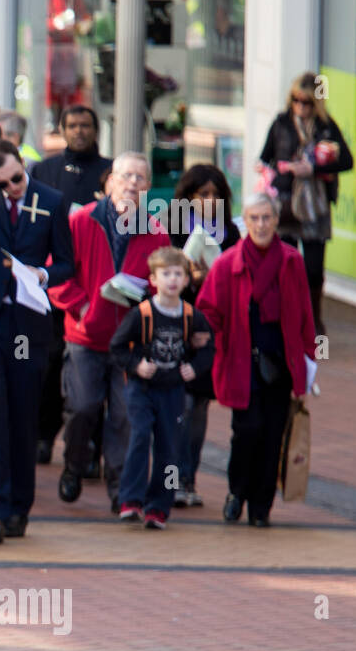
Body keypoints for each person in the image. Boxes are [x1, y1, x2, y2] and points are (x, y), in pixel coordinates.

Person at [0, 139, 74, 543]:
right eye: (3, 184)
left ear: (25, 165)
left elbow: (67, 264)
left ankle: (20, 506)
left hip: (27, 322)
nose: (13, 188)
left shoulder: (52, 200)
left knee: (22, 416)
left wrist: (42, 275)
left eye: (17, 178)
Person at [50, 152, 169, 512]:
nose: (132, 183)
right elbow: (57, 273)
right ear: (110, 182)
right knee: (83, 408)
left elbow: (160, 286)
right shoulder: (80, 221)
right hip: (86, 337)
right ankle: (74, 465)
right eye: (125, 176)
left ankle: (123, 492)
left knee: (125, 418)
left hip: (130, 343)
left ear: (148, 188)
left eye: (140, 179)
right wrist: (82, 308)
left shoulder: (156, 231)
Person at [196, 192, 316, 528]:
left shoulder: (292, 261)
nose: (261, 224)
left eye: (267, 217)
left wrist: (308, 368)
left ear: (277, 220)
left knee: (273, 435)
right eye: (254, 218)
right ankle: (237, 493)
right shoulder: (227, 263)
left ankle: (261, 507)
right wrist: (212, 342)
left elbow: (307, 318)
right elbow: (208, 311)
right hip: (241, 362)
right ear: (244, 222)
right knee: (246, 431)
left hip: (279, 365)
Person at [109, 246, 214, 529]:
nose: (172, 279)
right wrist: (136, 365)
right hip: (142, 390)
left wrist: (195, 367)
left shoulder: (192, 316)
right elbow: (117, 347)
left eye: (177, 274)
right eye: (165, 274)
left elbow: (208, 347)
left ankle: (159, 506)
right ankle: (130, 499)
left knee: (169, 448)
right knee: (140, 436)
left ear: (186, 280)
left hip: (173, 392)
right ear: (153, 279)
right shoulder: (141, 314)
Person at [28, 104, 110, 465]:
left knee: (95, 370)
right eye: (73, 125)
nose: (80, 131)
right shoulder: (44, 170)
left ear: (96, 129)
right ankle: (42, 435)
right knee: (47, 364)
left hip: (95, 286)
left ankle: (90, 446)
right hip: (53, 282)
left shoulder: (110, 172)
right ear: (62, 130)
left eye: (86, 125)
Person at [166, 164, 240, 507]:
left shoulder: (231, 235)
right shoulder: (173, 228)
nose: (210, 201)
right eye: (203, 195)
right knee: (176, 405)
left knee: (197, 406)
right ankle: (170, 479)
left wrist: (215, 278)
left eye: (216, 195)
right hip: (174, 325)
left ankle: (188, 479)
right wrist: (187, 278)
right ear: (188, 197)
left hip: (209, 330)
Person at [259, 72, 354, 334]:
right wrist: (278, 172)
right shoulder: (281, 123)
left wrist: (312, 169)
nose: (300, 107)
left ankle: (313, 323)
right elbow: (265, 157)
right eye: (296, 100)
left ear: (316, 103)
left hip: (316, 205)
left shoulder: (326, 126)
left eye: (306, 102)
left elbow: (347, 161)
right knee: (285, 265)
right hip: (287, 203)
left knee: (312, 269)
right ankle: (285, 320)